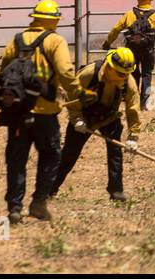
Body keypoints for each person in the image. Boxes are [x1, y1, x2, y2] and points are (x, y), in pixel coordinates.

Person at [0, 0, 83, 223]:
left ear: (34, 18)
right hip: (45, 112)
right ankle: (39, 202)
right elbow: (65, 71)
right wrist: (80, 93)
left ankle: (14, 208)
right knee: (51, 156)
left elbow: (4, 75)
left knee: (16, 160)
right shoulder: (55, 41)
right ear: (55, 21)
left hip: (18, 114)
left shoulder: (16, 40)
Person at [50, 47, 142, 202]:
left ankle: (116, 191)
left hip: (109, 118)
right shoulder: (88, 74)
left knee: (115, 153)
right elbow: (72, 96)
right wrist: (77, 119)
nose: (124, 77)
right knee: (69, 155)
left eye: (126, 73)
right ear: (111, 67)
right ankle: (49, 189)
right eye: (120, 73)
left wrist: (133, 136)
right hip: (84, 117)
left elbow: (133, 109)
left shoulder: (128, 81)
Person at [103, 0, 155, 106]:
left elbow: (116, 29)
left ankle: (132, 99)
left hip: (131, 50)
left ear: (138, 0)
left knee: (132, 72)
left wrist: (107, 43)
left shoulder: (129, 14)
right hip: (148, 50)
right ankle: (144, 103)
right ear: (150, 0)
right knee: (147, 74)